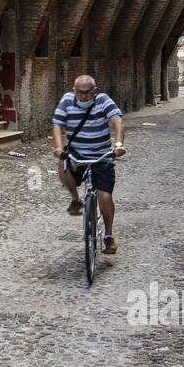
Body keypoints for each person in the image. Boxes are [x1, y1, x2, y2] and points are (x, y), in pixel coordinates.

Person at [52, 75, 126, 255]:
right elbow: (57, 125)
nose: (83, 97)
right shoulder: (67, 101)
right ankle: (75, 199)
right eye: (79, 93)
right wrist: (59, 148)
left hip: (102, 155)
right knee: (62, 165)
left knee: (104, 195)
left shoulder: (103, 100)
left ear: (94, 91)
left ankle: (108, 235)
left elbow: (117, 121)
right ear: (74, 90)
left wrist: (118, 145)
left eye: (87, 93)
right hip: (77, 154)